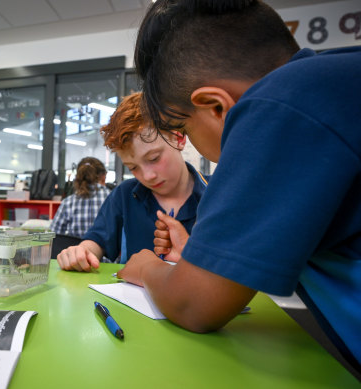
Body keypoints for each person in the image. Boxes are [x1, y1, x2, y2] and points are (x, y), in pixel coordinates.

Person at [118, 0, 361, 367]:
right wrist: (208, 258)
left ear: (217, 106)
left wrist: (147, 268)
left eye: (183, 127)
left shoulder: (277, 104)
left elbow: (195, 304)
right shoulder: (329, 82)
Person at [57, 92, 208, 272]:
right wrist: (81, 252)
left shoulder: (217, 193)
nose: (147, 176)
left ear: (178, 138)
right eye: (133, 167)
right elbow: (96, 240)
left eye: (154, 158)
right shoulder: (124, 194)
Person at [50, 157, 111, 238]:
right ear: (103, 176)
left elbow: (53, 235)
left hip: (76, 249)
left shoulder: (68, 202)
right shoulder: (112, 198)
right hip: (106, 250)